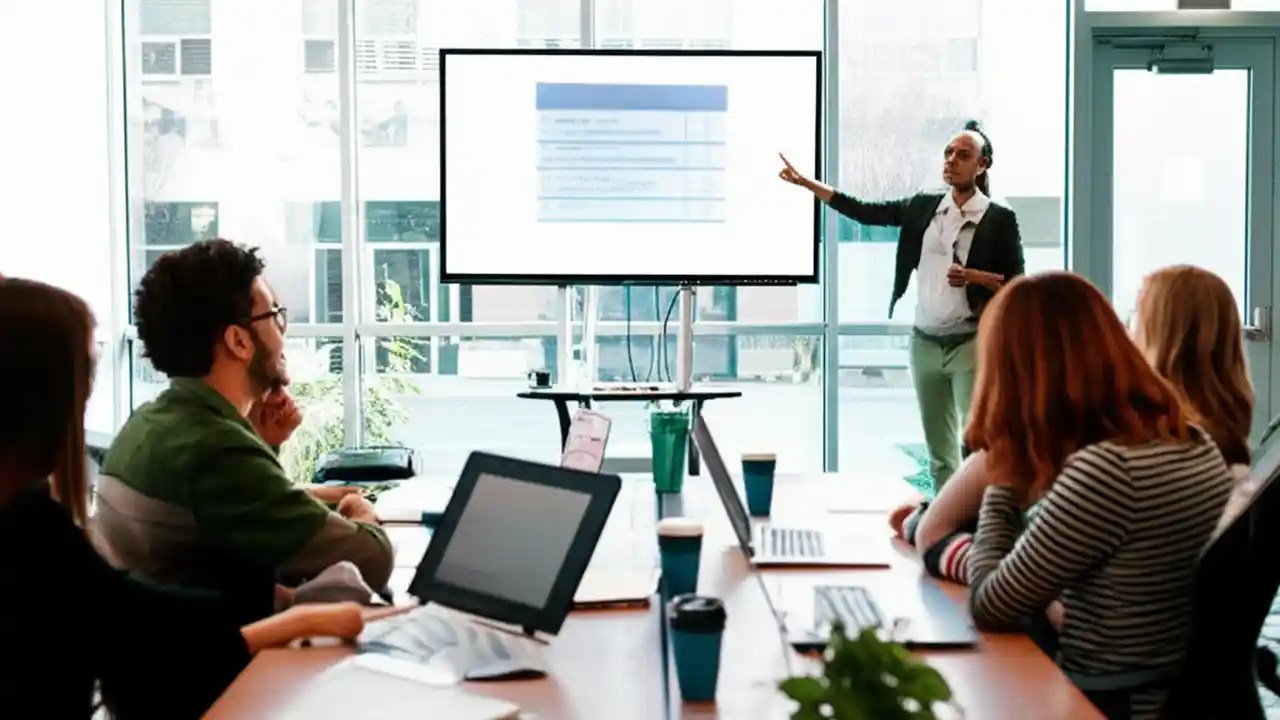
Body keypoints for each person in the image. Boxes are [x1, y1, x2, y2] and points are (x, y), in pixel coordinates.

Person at [0, 278, 365, 718]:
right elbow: (152, 623)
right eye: (88, 367)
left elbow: (121, 608)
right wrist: (304, 614)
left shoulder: (147, 426)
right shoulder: (29, 524)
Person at [962, 272, 1234, 719]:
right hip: (1152, 685)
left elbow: (991, 605)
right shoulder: (1183, 438)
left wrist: (1003, 476)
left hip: (1107, 700)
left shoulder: (1109, 470)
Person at [892, 264, 1256, 586]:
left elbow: (1014, 585)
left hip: (1079, 647)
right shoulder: (1201, 445)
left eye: (1134, 318)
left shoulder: (1116, 457)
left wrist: (927, 524)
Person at [95, 239, 393, 624]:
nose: (283, 335)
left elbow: (236, 532)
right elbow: (372, 561)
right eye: (274, 316)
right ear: (239, 341)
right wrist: (360, 507)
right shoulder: (215, 450)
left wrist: (264, 444)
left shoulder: (151, 423)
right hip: (221, 674)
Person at [779, 120, 1024, 491]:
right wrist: (807, 184)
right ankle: (950, 527)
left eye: (963, 155)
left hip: (971, 345)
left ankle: (984, 525)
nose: (951, 160)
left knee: (977, 444)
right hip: (924, 343)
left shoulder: (999, 219)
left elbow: (1018, 286)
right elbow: (864, 211)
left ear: (982, 165)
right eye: (948, 153)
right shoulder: (923, 206)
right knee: (940, 453)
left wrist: (974, 277)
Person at [1132, 264, 1254, 471]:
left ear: (1160, 337)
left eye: (1136, 314)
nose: (1128, 328)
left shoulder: (1154, 442)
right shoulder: (1224, 436)